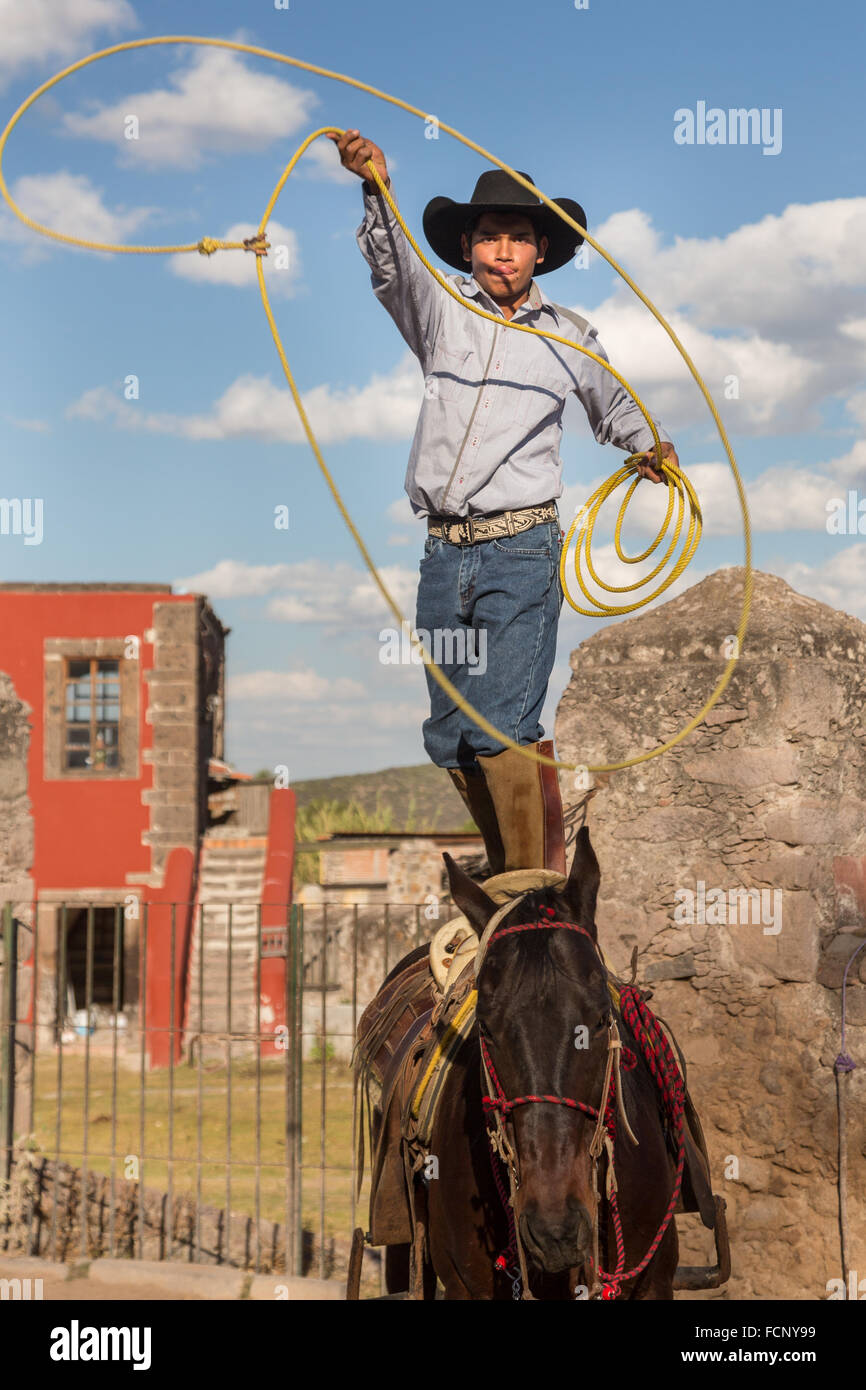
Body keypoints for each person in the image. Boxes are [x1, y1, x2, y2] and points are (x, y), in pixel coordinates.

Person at [329, 129, 679, 873]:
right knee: (448, 733)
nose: (503, 252)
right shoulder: (439, 313)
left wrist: (646, 442)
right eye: (489, 237)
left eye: (518, 239)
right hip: (442, 555)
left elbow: (613, 404)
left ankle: (534, 892)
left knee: (503, 726)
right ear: (467, 246)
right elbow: (392, 267)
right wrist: (375, 188)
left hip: (520, 552)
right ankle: (507, 861)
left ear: (541, 252)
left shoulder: (571, 336)